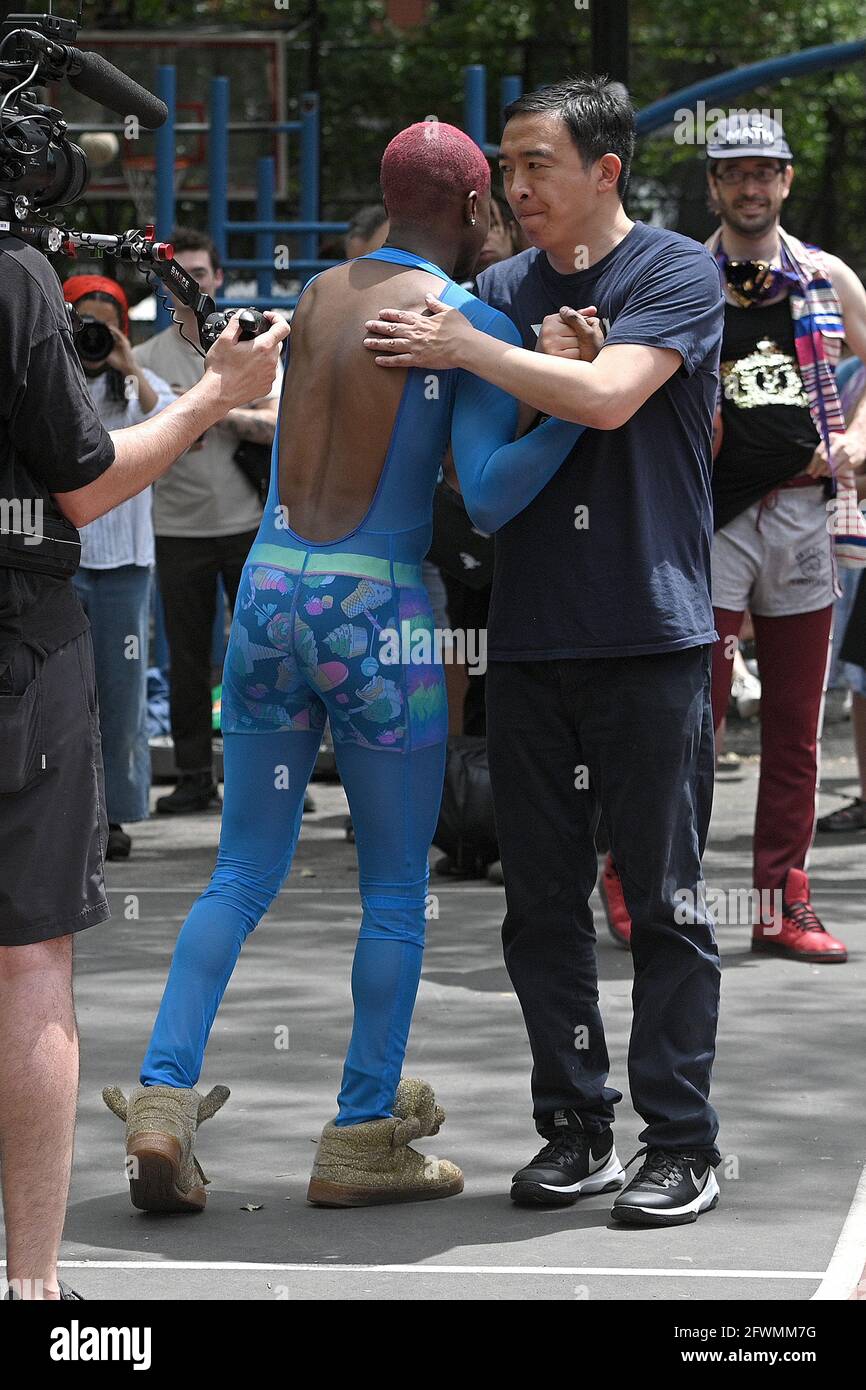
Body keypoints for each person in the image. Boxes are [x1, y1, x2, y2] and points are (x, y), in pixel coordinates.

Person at [102, 121, 593, 1213]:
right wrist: (559, 390)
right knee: (391, 892)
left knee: (240, 872)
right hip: (374, 612)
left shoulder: (319, 294)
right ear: (471, 212)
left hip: (270, 595)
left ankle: (161, 1097)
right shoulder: (456, 319)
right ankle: (363, 1131)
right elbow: (495, 493)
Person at [363, 76, 726, 1226]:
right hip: (527, 644)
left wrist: (472, 351)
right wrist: (479, 342)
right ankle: (575, 1126)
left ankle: (682, 1142)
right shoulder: (495, 290)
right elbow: (478, 491)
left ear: (604, 171)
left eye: (535, 166)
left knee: (663, 902)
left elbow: (611, 397)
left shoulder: (672, 272)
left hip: (652, 635)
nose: (513, 189)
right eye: (503, 169)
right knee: (539, 908)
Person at [0, 223, 287, 1300]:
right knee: (27, 963)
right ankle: (33, 1288)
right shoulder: (12, 272)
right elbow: (84, 485)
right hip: (16, 645)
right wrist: (214, 394)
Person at [134, 228, 284, 816]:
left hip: (247, 521)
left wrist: (207, 408)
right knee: (187, 661)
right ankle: (196, 775)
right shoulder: (144, 359)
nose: (188, 283)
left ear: (217, 279)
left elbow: (276, 422)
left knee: (261, 657)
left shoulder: (246, 342)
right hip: (176, 527)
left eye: (198, 273)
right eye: (176, 275)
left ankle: (270, 776)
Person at [64, 274, 175, 860]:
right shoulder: (49, 382)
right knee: (61, 697)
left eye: (107, 326)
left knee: (122, 692)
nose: (94, 337)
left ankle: (115, 815)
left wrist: (126, 363)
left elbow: (175, 421)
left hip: (125, 565)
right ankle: (64, 817)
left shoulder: (140, 386)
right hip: (62, 560)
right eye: (85, 325)